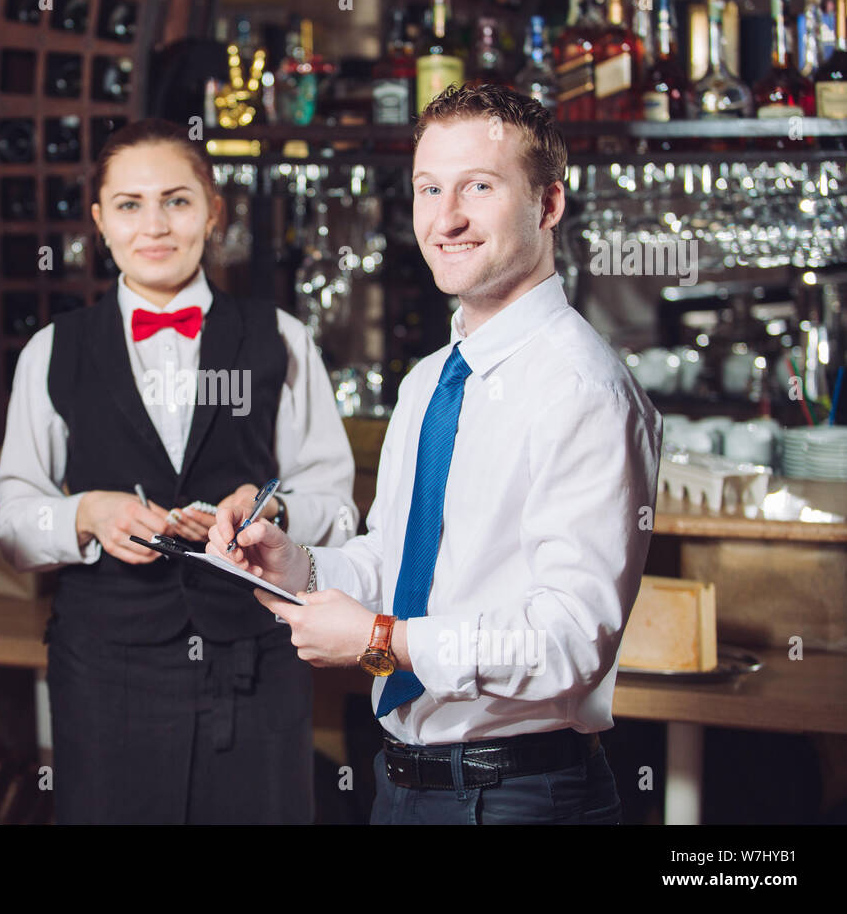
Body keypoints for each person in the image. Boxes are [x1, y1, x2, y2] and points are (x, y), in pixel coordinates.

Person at [208, 84, 663, 825]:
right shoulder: (430, 381)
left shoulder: (584, 392)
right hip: (405, 782)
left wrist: (379, 640)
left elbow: (571, 642)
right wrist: (302, 568)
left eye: (478, 187)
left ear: (547, 206)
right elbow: (397, 562)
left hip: (522, 796)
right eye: (428, 189)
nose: (445, 218)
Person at [0, 118, 358, 824]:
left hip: (255, 662)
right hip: (105, 673)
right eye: (129, 205)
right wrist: (83, 515)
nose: (154, 225)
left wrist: (273, 515)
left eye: (177, 200)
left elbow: (338, 509)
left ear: (214, 212)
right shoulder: (53, 350)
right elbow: (10, 523)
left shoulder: (280, 337)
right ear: (99, 221)